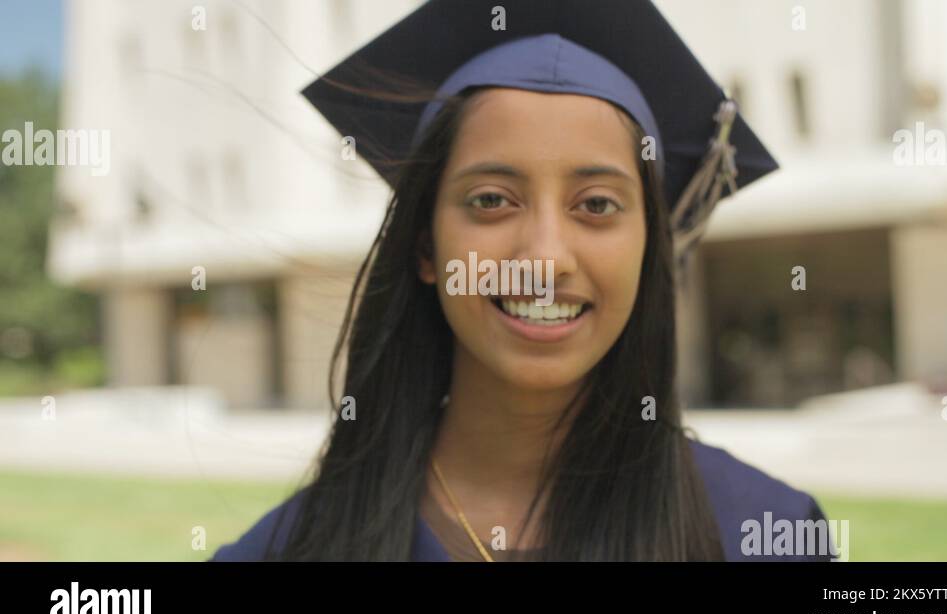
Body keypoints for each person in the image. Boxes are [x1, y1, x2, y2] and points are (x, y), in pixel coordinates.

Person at [211, 0, 837, 562]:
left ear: (648, 248)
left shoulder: (763, 533)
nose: (544, 258)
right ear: (426, 245)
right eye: (491, 200)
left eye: (596, 205)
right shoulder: (291, 551)